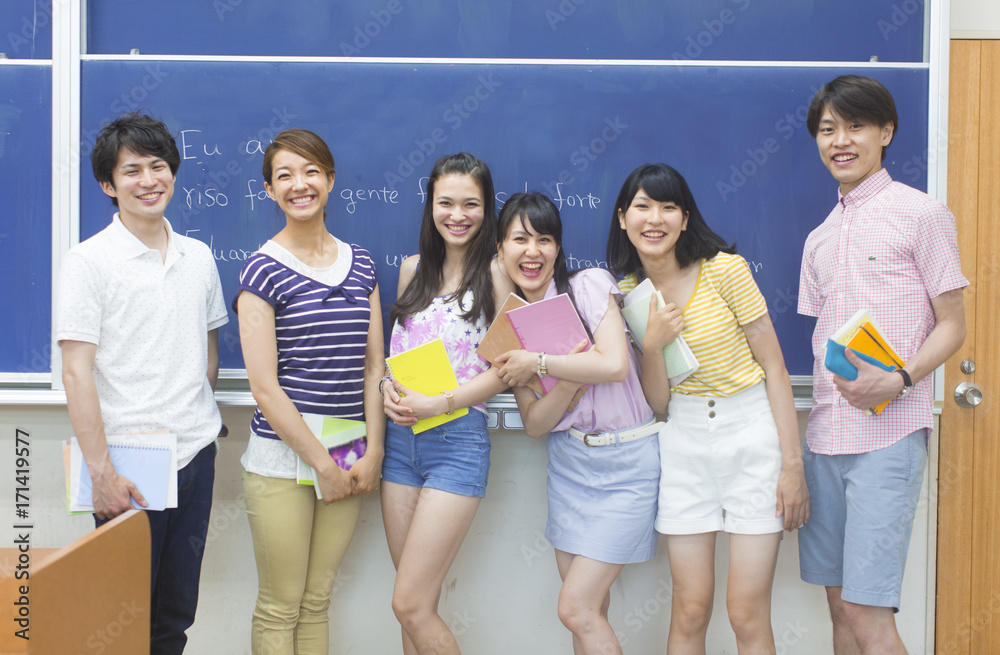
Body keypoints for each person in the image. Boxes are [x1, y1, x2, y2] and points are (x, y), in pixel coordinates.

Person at [606, 163, 809, 654]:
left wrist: (792, 465)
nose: (655, 219)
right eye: (643, 207)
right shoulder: (628, 293)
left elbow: (775, 368)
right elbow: (658, 402)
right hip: (683, 441)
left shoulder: (725, 270)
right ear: (623, 218)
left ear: (684, 218)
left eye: (668, 207)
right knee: (690, 608)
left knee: (745, 612)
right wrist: (652, 345)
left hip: (751, 434)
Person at [798, 75, 967, 655]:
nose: (840, 141)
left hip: (888, 437)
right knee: (840, 609)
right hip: (824, 437)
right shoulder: (818, 238)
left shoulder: (922, 214)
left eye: (856, 126)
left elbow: (954, 324)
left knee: (868, 614)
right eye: (828, 130)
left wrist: (899, 379)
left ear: (886, 132)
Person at [57, 111, 228, 655]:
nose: (149, 180)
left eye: (158, 166)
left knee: (174, 616)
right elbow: (75, 371)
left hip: (195, 455)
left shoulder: (199, 257)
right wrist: (102, 473)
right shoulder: (88, 261)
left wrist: (196, 421)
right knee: (121, 618)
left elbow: (207, 352)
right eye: (131, 170)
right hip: (128, 465)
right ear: (108, 185)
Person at [234, 128, 385, 654]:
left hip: (347, 444)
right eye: (285, 176)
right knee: (281, 605)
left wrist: (374, 450)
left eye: (311, 171)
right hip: (283, 455)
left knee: (318, 600)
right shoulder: (262, 269)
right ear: (270, 190)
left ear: (330, 179)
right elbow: (264, 387)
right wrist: (322, 464)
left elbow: (373, 366)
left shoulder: (361, 263)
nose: (299, 184)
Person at [493, 191, 661, 655]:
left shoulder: (587, 284)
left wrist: (539, 363)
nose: (533, 251)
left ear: (557, 247)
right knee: (590, 611)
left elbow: (614, 366)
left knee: (575, 608)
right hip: (568, 467)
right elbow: (534, 423)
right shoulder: (507, 327)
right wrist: (568, 381)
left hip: (627, 462)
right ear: (500, 249)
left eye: (544, 239)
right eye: (520, 239)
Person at [380, 152, 511, 655]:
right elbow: (395, 357)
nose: (457, 215)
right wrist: (386, 389)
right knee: (411, 602)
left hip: (457, 444)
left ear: (487, 208)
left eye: (470, 204)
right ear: (430, 205)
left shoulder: (497, 273)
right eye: (446, 203)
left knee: (410, 604)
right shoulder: (411, 270)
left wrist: (442, 403)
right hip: (400, 443)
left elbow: (505, 368)